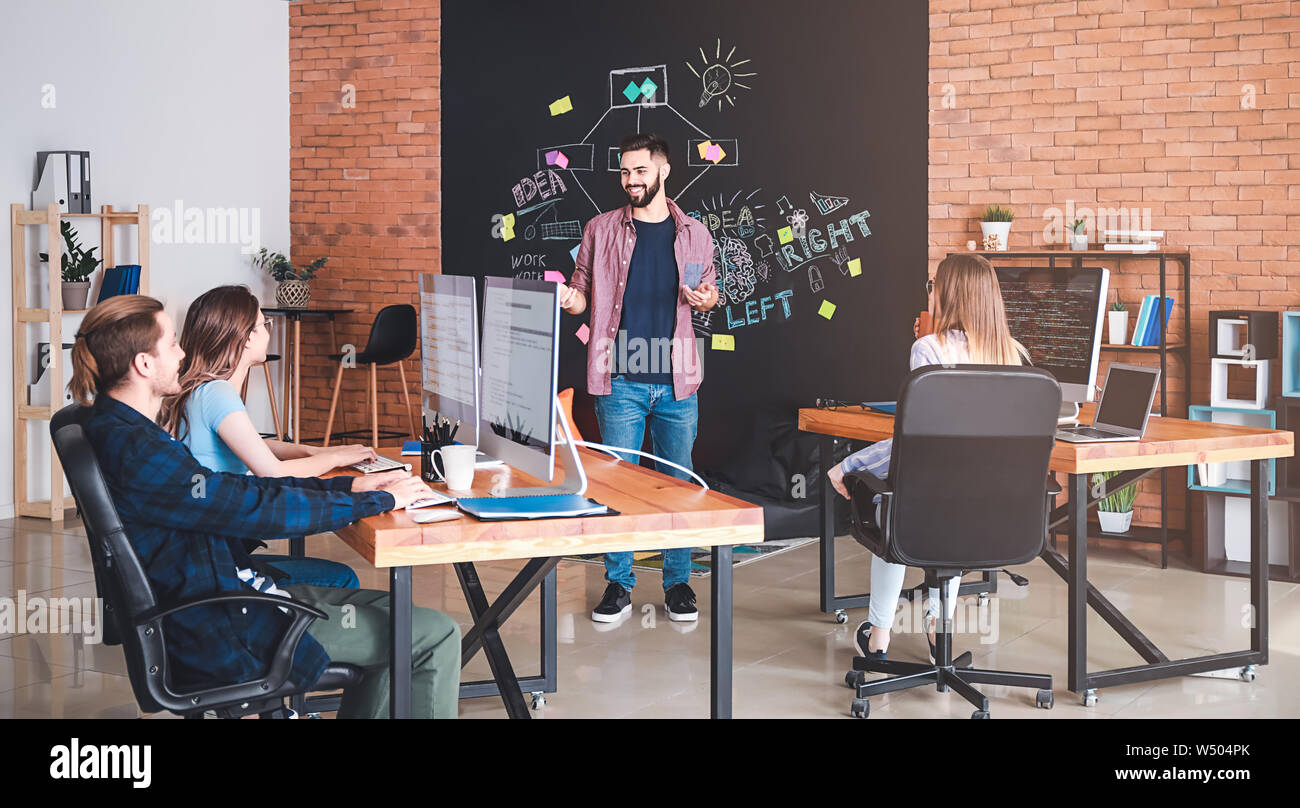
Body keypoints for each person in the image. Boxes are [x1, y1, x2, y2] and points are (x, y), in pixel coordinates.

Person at [72, 295, 460, 718]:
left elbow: (238, 492)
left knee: (393, 609)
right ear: (144, 364)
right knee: (435, 633)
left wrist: (351, 486)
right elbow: (256, 506)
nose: (183, 353)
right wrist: (377, 500)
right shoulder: (137, 451)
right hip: (224, 624)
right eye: (171, 345)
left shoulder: (120, 430)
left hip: (225, 593)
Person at [826, 254, 1028, 663]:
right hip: (993, 510)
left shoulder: (927, 350)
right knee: (952, 522)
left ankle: (879, 639)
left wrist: (848, 466)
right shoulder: (1014, 355)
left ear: (949, 294)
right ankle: (941, 634)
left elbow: (912, 442)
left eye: (933, 285)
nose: (930, 291)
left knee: (893, 517)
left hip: (927, 503)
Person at [559, 132, 719, 624]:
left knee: (676, 484)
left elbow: (709, 291)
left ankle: (678, 585)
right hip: (620, 377)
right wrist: (570, 300)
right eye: (625, 172)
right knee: (616, 486)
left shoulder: (695, 233)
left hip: (676, 379)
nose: (630, 181)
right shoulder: (600, 229)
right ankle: (619, 585)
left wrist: (707, 299)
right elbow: (583, 292)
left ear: (663, 171)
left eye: (640, 172)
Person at [159, 285, 378, 588]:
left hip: (202, 551)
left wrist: (310, 451)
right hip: (217, 563)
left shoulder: (198, 389)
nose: (268, 331)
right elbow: (273, 473)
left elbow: (248, 443)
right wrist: (336, 457)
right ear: (247, 338)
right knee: (342, 579)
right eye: (264, 324)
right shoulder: (218, 394)